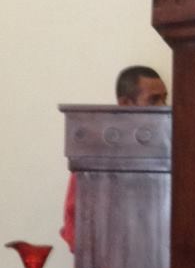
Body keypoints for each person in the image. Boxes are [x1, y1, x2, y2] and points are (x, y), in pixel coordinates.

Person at [60, 65, 168, 251]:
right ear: (125, 104)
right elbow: (74, 226)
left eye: (164, 99)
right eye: (154, 100)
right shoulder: (94, 156)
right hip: (107, 267)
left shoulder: (169, 150)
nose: (164, 108)